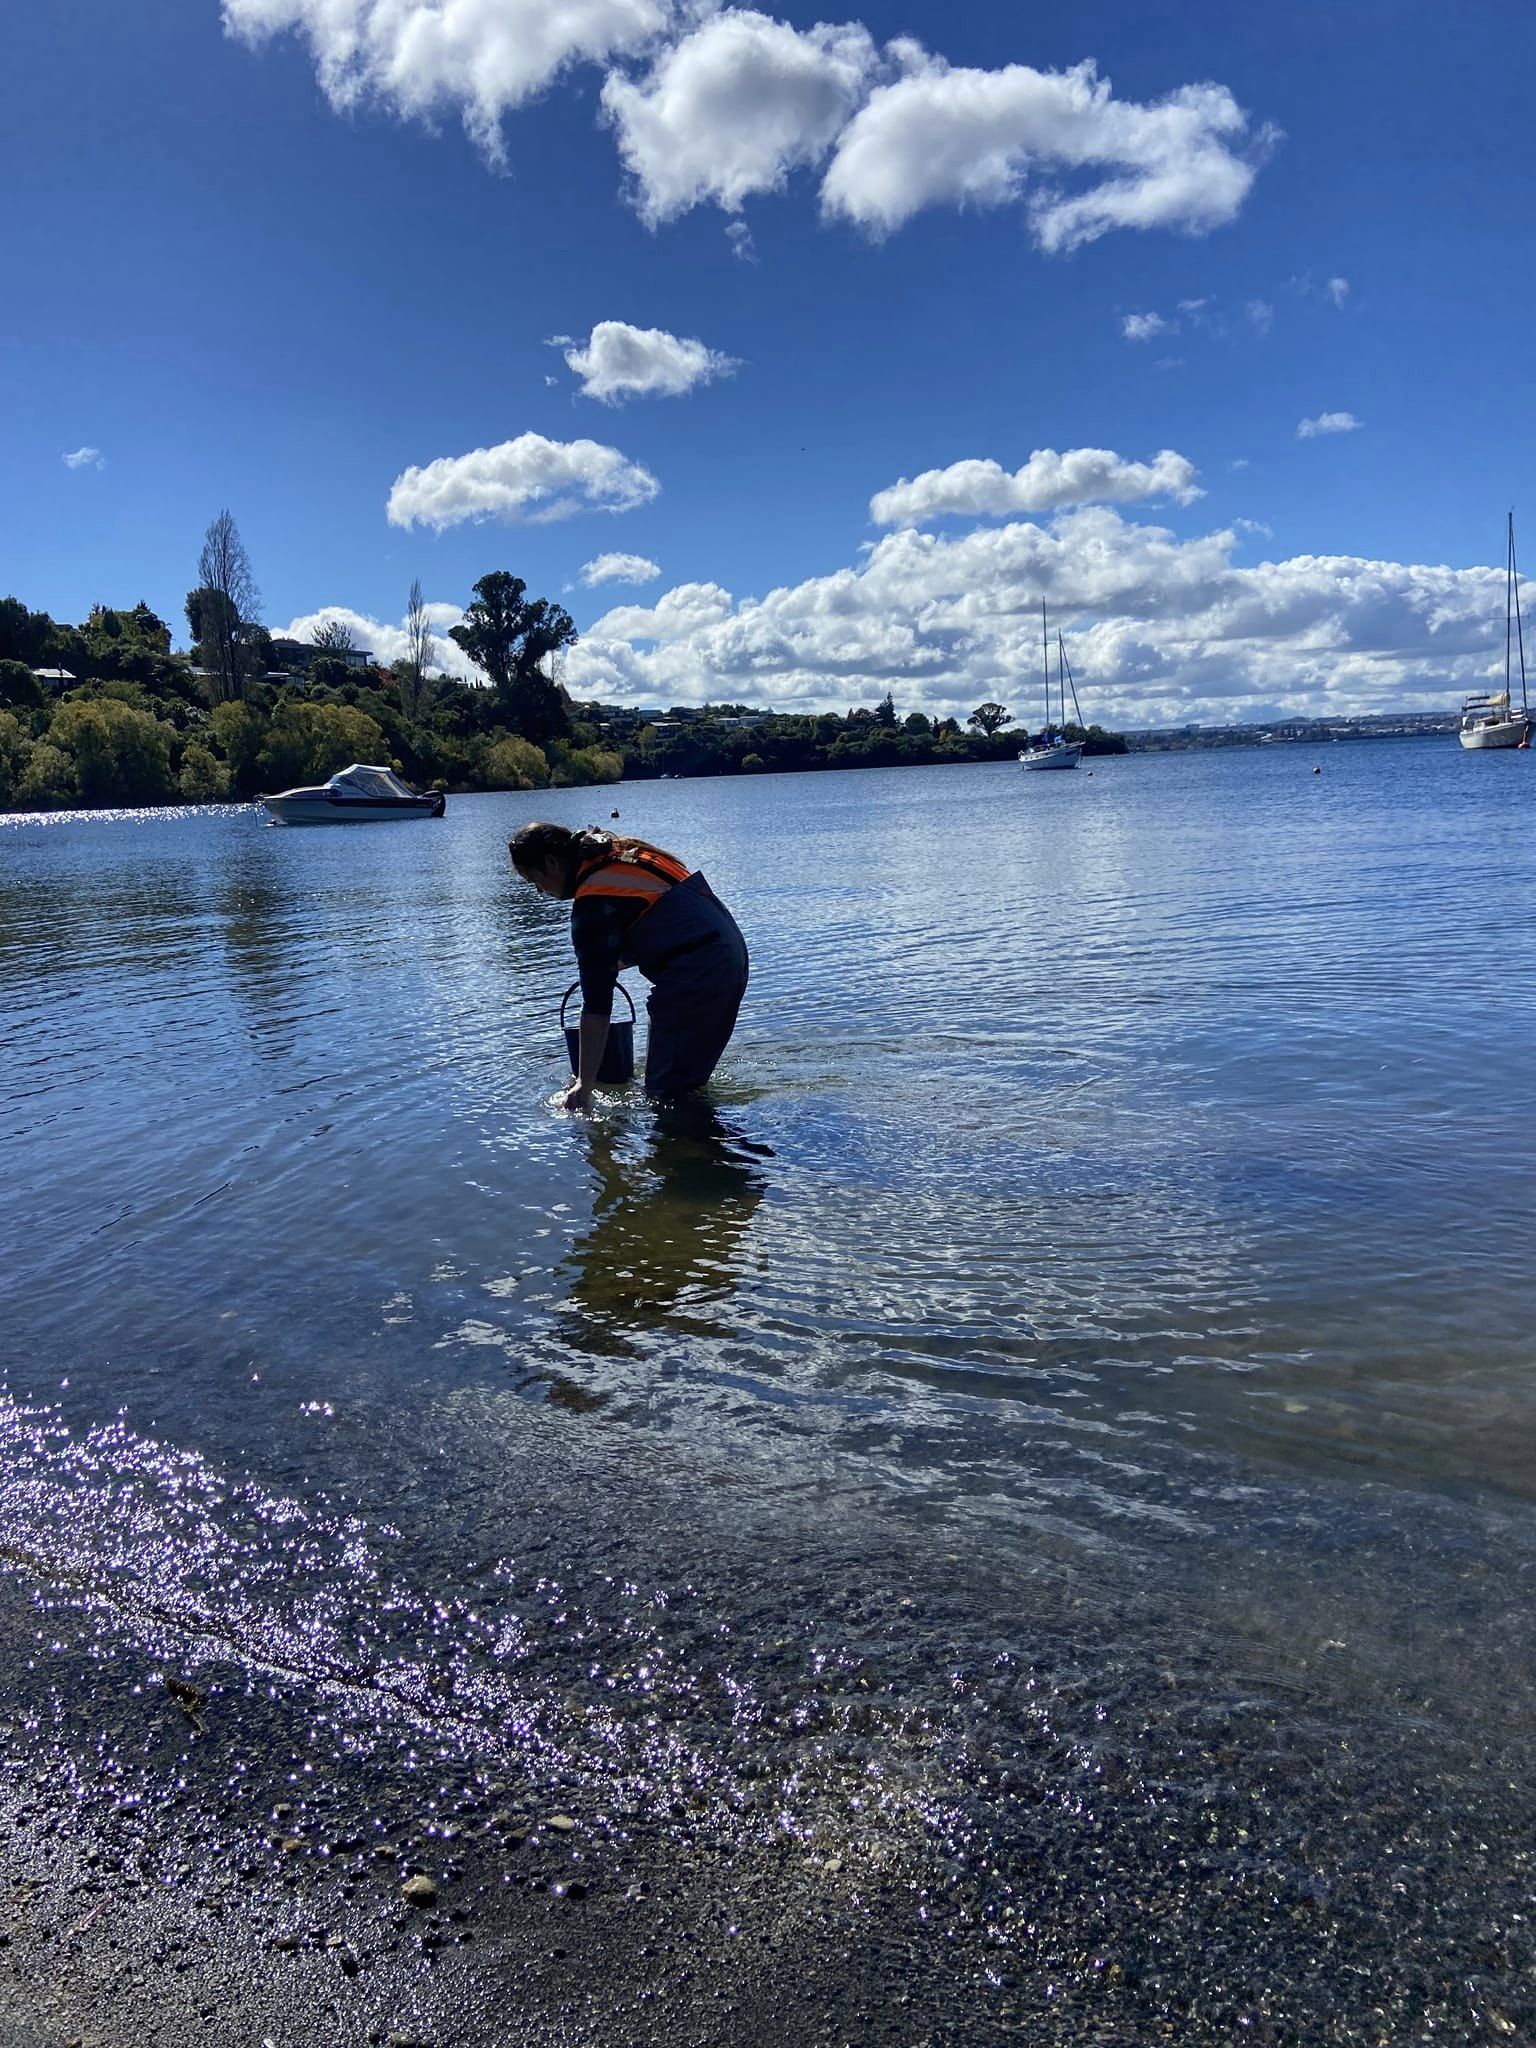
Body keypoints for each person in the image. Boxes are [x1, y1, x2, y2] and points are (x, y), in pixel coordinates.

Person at [510, 821, 749, 1112]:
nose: (540, 891)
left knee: (668, 1099)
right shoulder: (620, 853)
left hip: (699, 971)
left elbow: (597, 1005)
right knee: (673, 1083)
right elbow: (668, 919)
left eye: (534, 881)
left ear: (551, 862)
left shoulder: (592, 901)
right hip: (727, 951)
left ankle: (697, 1149)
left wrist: (584, 1083)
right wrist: (608, 963)